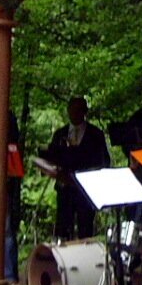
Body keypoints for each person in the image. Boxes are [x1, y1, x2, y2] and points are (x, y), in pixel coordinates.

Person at [37, 95, 111, 240]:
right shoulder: (60, 134)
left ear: (85, 112)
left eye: (78, 110)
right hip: (65, 190)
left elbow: (104, 161)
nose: (75, 113)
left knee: (86, 230)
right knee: (63, 230)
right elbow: (51, 160)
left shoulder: (96, 134)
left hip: (86, 190)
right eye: (72, 110)